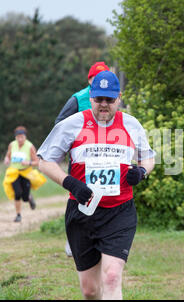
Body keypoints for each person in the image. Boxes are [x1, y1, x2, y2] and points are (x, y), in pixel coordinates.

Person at [37, 71, 156, 300]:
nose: (104, 105)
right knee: (90, 291)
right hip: (82, 213)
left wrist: (141, 172)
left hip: (119, 212)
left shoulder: (131, 125)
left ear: (118, 98)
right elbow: (44, 161)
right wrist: (71, 183)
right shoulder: (72, 124)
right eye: (99, 99)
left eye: (109, 100)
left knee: (111, 276)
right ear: (90, 97)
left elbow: (148, 158)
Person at [56, 61, 110, 257]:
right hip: (82, 158)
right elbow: (59, 124)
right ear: (89, 79)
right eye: (97, 78)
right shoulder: (77, 99)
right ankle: (73, 240)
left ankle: (103, 239)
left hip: (106, 157)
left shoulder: (112, 98)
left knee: (104, 197)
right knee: (78, 197)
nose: (101, 82)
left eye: (105, 78)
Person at [3, 126, 46, 222]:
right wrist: (6, 159)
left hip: (26, 172)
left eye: (22, 137)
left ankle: (29, 198)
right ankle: (18, 215)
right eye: (18, 137)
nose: (20, 139)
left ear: (25, 137)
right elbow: (8, 156)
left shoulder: (30, 146)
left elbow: (37, 162)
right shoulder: (12, 145)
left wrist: (28, 163)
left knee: (25, 197)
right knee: (17, 193)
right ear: (15, 137)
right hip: (14, 172)